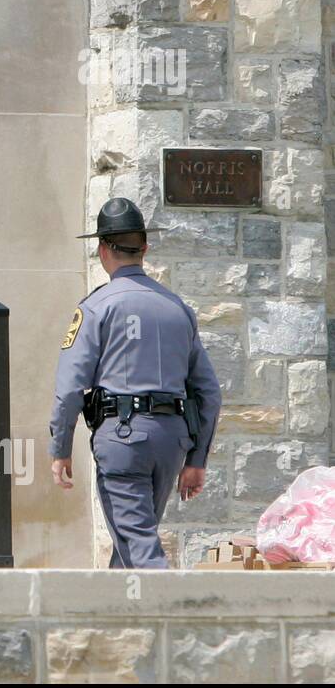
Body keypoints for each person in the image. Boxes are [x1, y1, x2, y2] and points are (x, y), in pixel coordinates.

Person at [50, 197, 221, 568]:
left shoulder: (97, 307)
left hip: (124, 440)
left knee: (139, 546)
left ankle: (175, 620)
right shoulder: (178, 308)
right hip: (171, 443)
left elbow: (69, 388)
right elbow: (208, 392)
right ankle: (120, 623)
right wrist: (197, 459)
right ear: (144, 248)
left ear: (101, 250)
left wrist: (60, 447)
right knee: (131, 542)